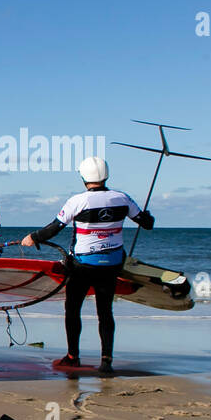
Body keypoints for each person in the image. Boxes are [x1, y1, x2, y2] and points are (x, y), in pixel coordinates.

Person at [22, 156, 154, 374]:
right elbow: (147, 224)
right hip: (111, 265)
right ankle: (106, 361)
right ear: (107, 175)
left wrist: (33, 237)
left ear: (83, 177)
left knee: (73, 309)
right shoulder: (123, 198)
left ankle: (73, 357)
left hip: (83, 266)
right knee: (105, 311)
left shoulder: (77, 201)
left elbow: (54, 228)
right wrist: (146, 215)